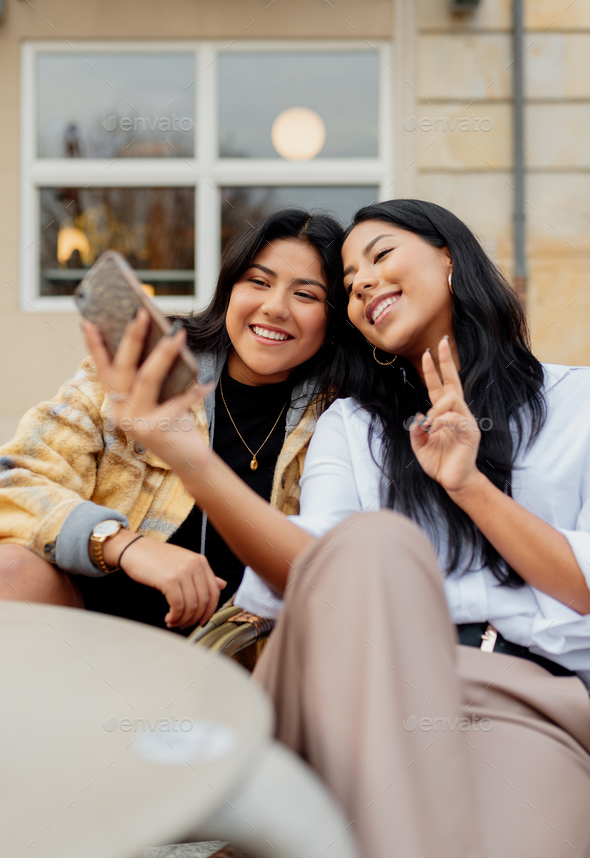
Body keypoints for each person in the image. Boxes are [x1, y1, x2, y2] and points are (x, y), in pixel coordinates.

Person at [82, 199, 590, 858]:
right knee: (375, 544)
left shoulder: (576, 403)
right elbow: (308, 574)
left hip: (517, 702)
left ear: (448, 256)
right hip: (351, 693)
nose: (364, 285)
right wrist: (189, 457)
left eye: (379, 257)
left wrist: (468, 486)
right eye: (349, 284)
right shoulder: (353, 426)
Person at [0, 208, 355, 633]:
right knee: (13, 569)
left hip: (246, 657)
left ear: (333, 323)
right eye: (258, 282)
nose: (275, 307)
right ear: (229, 291)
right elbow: (15, 482)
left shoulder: (340, 419)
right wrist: (122, 544)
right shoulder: (144, 372)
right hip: (99, 634)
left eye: (306, 295)